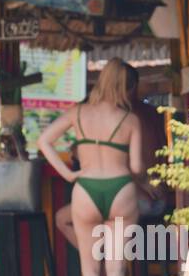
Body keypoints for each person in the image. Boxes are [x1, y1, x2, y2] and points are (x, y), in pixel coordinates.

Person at [38, 58, 155, 276]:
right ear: (125, 86)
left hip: (85, 189)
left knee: (89, 269)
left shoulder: (77, 113)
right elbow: (138, 165)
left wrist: (68, 174)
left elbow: (44, 141)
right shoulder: (130, 120)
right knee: (115, 268)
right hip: (121, 189)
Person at [53, 62, 168, 252]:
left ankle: (102, 264)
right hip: (156, 197)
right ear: (134, 87)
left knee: (68, 219)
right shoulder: (149, 115)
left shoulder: (123, 117)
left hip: (138, 197)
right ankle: (110, 266)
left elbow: (127, 165)